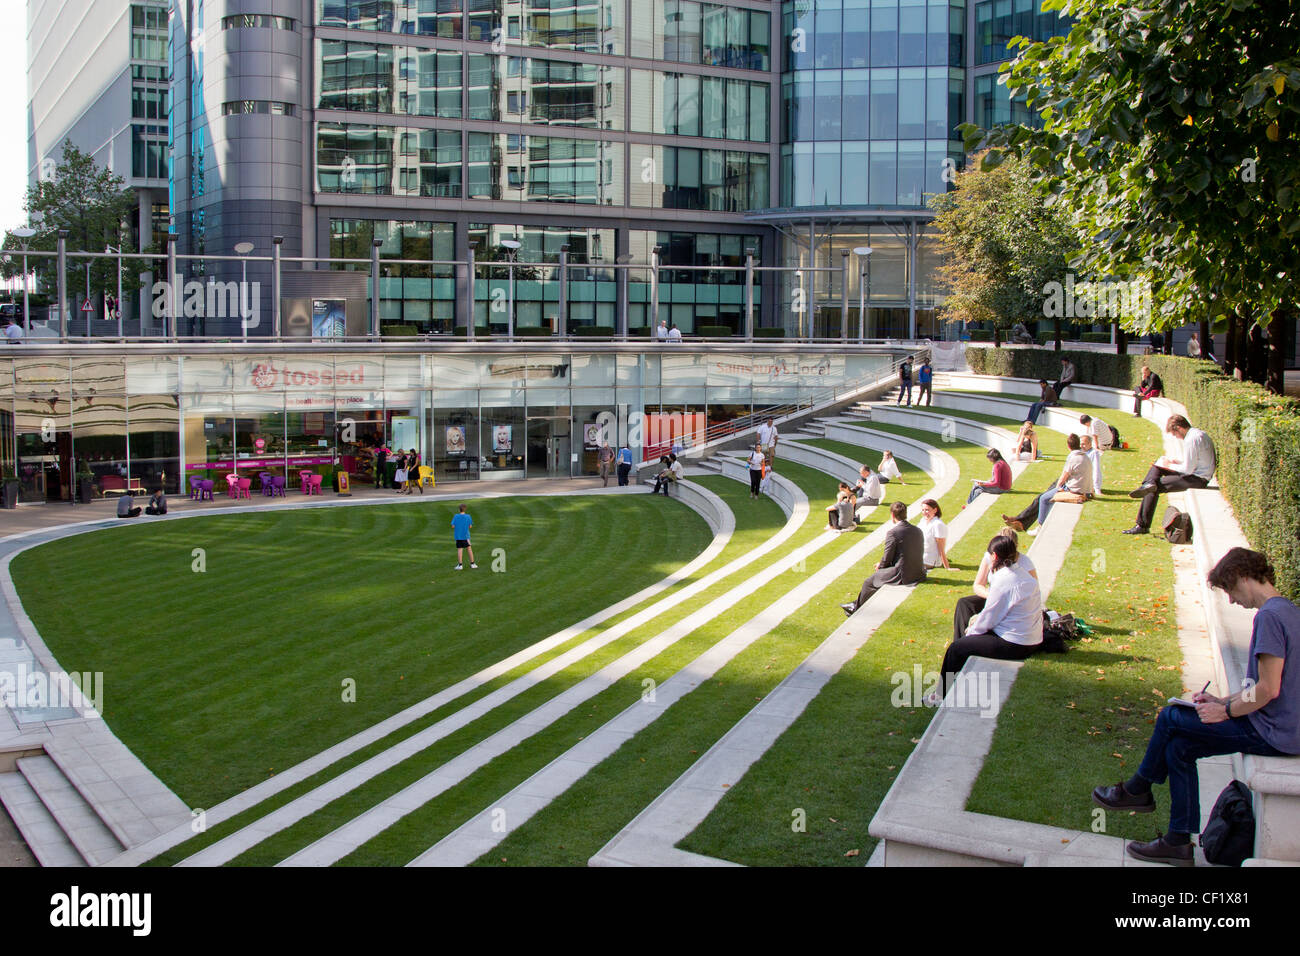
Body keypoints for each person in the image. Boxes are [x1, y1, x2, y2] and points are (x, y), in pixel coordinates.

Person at [1092, 548, 1300, 865]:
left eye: (1231, 589)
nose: (1231, 600)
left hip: (1274, 732)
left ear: (1245, 577)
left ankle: (1137, 789)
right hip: (1281, 727)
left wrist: (1225, 712)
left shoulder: (1269, 617)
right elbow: (1266, 686)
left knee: (1172, 716)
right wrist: (1222, 700)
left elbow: (1268, 689)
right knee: (1179, 747)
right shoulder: (1286, 609)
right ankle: (1177, 842)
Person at [935, 536, 1043, 695]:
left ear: (995, 556)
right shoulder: (1023, 575)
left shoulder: (1003, 579)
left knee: (956, 649)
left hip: (1016, 644)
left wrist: (969, 635)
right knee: (968, 616)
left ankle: (940, 695)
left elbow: (989, 618)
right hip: (1032, 639)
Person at [1122, 414, 1215, 535]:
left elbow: (1187, 470)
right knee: (1157, 465)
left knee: (1153, 488)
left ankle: (1142, 525)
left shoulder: (1191, 439)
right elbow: (1194, 462)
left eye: (1174, 433)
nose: (1175, 436)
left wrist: (1169, 465)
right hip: (1197, 474)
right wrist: (1173, 462)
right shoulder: (1197, 434)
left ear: (1179, 428)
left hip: (1197, 479)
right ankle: (1148, 483)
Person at [952, 528, 1040, 641]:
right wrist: (991, 595)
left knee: (990, 618)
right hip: (993, 596)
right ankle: (961, 640)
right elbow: (978, 585)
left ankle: (973, 638)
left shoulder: (1025, 562)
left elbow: (1033, 590)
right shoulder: (990, 557)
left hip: (1013, 601)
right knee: (965, 603)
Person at [841, 501, 925, 615]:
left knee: (869, 582)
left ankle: (856, 608)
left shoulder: (893, 532)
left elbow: (887, 557)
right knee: (877, 577)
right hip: (918, 571)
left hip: (903, 573)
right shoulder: (917, 530)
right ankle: (856, 604)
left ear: (892, 515)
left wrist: (880, 566)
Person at [1002, 432, 1093, 535]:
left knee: (1043, 498)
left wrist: (1056, 490)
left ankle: (1039, 527)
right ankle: (1020, 520)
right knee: (1046, 492)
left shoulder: (1073, 458)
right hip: (1081, 486)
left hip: (1075, 489)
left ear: (1068, 446)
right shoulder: (1084, 456)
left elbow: (1062, 479)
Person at [918, 498, 950, 570]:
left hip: (929, 560)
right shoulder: (922, 521)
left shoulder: (938, 525)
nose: (924, 512)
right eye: (923, 510)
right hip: (919, 555)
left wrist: (947, 567)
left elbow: (941, 548)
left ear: (935, 510)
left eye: (927, 510)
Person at [451, 504, 477, 570]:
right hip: (466, 536)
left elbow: (453, 526)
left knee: (460, 549)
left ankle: (460, 565)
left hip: (458, 536)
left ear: (459, 509)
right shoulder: (468, 516)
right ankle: (472, 563)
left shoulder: (456, 516)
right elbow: (470, 526)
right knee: (469, 549)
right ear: (465, 509)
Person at [1080, 432, 1101, 498]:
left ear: (1090, 444)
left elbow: (1096, 470)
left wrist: (1097, 488)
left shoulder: (1094, 453)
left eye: (1083, 444)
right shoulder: (1080, 452)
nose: (1081, 446)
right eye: (1080, 444)